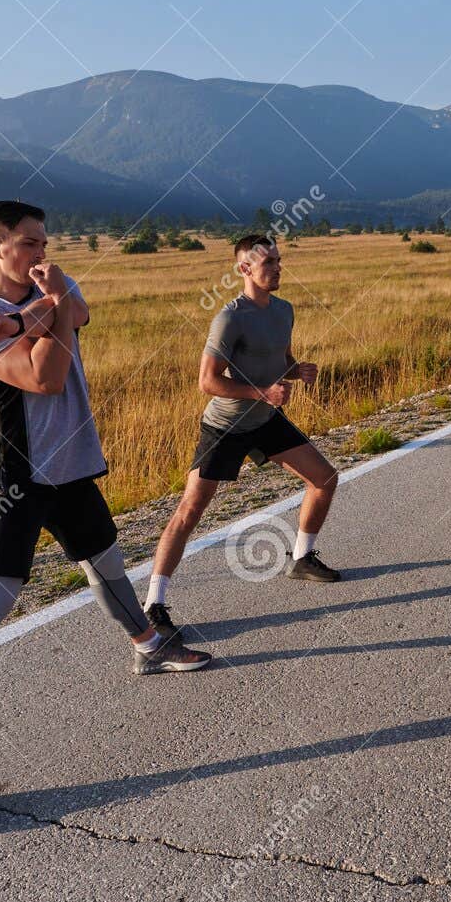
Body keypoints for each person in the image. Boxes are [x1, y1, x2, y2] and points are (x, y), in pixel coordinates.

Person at [0, 200, 209, 839]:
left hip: (70, 468)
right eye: (29, 244)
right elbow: (46, 375)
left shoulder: (38, 296)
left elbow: (81, 312)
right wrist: (47, 311)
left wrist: (37, 310)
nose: (42, 254)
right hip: (14, 483)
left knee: (105, 564)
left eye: (45, 242)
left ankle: (149, 645)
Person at [144, 235, 341, 627]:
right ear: (244, 269)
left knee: (325, 479)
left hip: (264, 420)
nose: (278, 268)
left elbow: (280, 362)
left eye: (279, 260)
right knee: (189, 511)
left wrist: (298, 370)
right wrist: (263, 392)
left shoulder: (284, 310)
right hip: (226, 426)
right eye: (268, 263)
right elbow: (207, 381)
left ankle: (302, 558)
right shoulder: (230, 318)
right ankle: (154, 605)